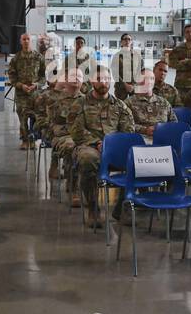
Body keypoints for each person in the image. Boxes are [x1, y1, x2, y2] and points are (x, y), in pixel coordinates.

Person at [71, 66, 136, 230]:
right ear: (92, 81)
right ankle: (93, 208)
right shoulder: (80, 103)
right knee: (87, 160)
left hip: (114, 149)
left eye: (107, 79)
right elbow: (76, 130)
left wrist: (110, 145)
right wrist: (96, 143)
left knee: (134, 158)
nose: (104, 82)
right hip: (89, 147)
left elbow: (128, 131)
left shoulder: (120, 105)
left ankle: (123, 207)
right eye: (99, 79)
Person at [47, 70, 84, 203]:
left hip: (82, 136)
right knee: (71, 146)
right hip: (63, 135)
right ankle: (74, 188)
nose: (76, 79)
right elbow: (50, 119)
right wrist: (57, 88)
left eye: (79, 76)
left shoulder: (86, 100)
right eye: (73, 76)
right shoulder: (56, 98)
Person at [7, 33, 46, 149]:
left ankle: (33, 139)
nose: (26, 41)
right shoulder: (16, 59)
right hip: (21, 94)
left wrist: (37, 85)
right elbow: (12, 76)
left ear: (31, 41)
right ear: (20, 41)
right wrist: (21, 85)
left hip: (35, 94)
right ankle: (24, 140)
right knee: (22, 117)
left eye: (28, 39)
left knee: (34, 118)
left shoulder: (38, 57)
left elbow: (43, 76)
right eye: (24, 39)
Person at [126, 68, 176, 138]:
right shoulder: (128, 103)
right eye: (145, 78)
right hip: (140, 140)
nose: (149, 81)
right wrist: (144, 130)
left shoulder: (164, 102)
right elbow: (125, 125)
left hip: (163, 139)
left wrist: (165, 130)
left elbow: (174, 123)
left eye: (152, 78)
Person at [167, 24, 191, 105]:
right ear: (184, 34)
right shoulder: (177, 49)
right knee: (179, 105)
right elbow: (172, 63)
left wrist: (185, 62)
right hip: (180, 84)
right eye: (187, 32)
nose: (190, 34)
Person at [112, 33, 140, 101]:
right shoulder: (116, 56)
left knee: (135, 107)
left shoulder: (137, 56)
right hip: (120, 88)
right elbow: (115, 73)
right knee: (120, 108)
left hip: (134, 87)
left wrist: (133, 85)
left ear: (131, 42)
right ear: (121, 42)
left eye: (129, 39)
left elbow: (140, 71)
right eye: (125, 39)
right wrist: (125, 85)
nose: (127, 41)